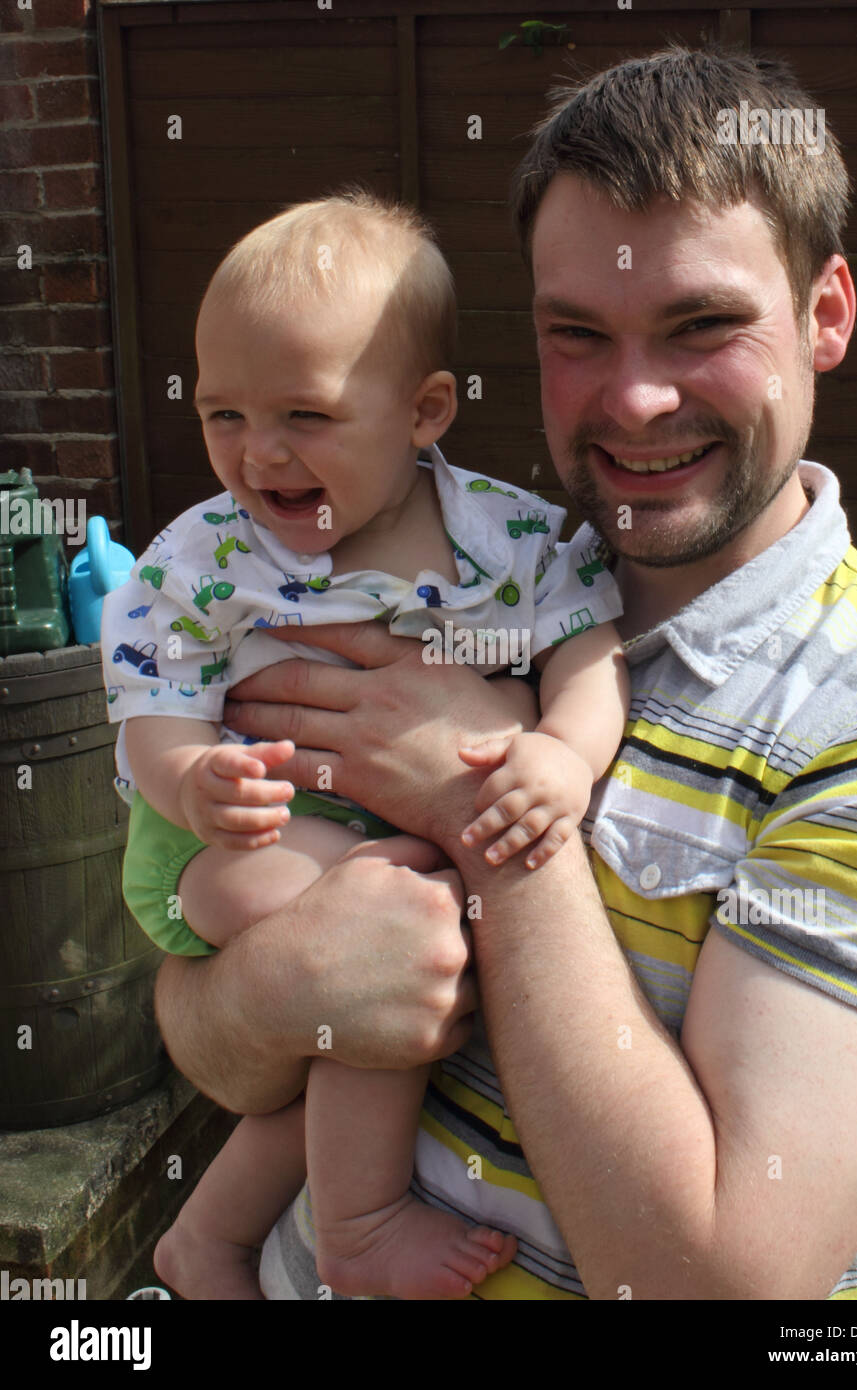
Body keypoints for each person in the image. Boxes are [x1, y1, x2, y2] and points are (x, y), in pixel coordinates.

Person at [151, 45, 857, 1300]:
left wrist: (475, 808)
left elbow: (719, 1286)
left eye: (701, 325)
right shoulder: (476, 583)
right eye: (576, 334)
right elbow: (209, 1032)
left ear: (825, 314)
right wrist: (273, 993)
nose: (632, 400)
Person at [100, 193, 629, 1300]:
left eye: (305, 413)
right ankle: (360, 1223)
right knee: (393, 930)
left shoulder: (510, 539)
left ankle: (206, 1239)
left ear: (424, 410)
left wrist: (565, 754)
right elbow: (153, 700)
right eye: (224, 414)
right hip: (226, 842)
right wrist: (193, 778)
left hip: (365, 840)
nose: (259, 453)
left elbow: (588, 650)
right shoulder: (204, 556)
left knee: (373, 970)